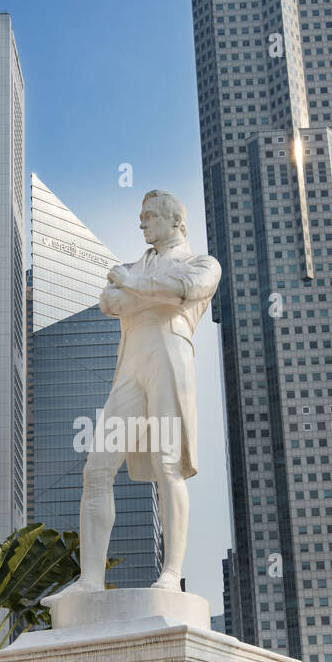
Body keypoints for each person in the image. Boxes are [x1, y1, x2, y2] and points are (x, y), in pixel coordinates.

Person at [62, 190, 220, 593]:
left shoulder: (202, 263)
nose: (141, 222)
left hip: (168, 359)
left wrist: (134, 284)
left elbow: (185, 290)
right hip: (130, 368)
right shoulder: (136, 267)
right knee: (97, 468)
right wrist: (147, 290)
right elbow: (109, 302)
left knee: (169, 465)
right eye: (141, 215)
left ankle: (171, 573)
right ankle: (90, 578)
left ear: (175, 221)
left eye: (149, 215)